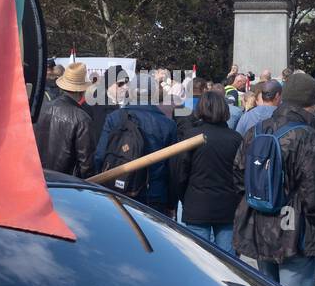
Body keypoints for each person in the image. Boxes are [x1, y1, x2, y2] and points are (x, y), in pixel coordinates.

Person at [232, 71, 315, 286]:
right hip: (296, 231)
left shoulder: (257, 129)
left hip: (260, 225)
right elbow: (314, 195)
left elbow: (238, 174)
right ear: (312, 102)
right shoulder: (307, 136)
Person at [168, 89, 241, 256]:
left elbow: (180, 173)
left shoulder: (191, 136)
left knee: (198, 258)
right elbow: (241, 175)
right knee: (228, 263)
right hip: (228, 206)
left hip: (196, 204)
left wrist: (180, 198)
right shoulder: (236, 139)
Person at [95, 74, 178, 215]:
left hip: (117, 192)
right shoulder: (167, 125)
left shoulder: (114, 118)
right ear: (154, 94)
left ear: (130, 92)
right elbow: (173, 169)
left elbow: (99, 156)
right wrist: (171, 203)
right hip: (154, 196)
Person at [33, 61, 97, 178]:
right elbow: (87, 165)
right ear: (82, 90)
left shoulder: (42, 108)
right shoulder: (82, 118)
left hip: (39, 178)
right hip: (65, 184)